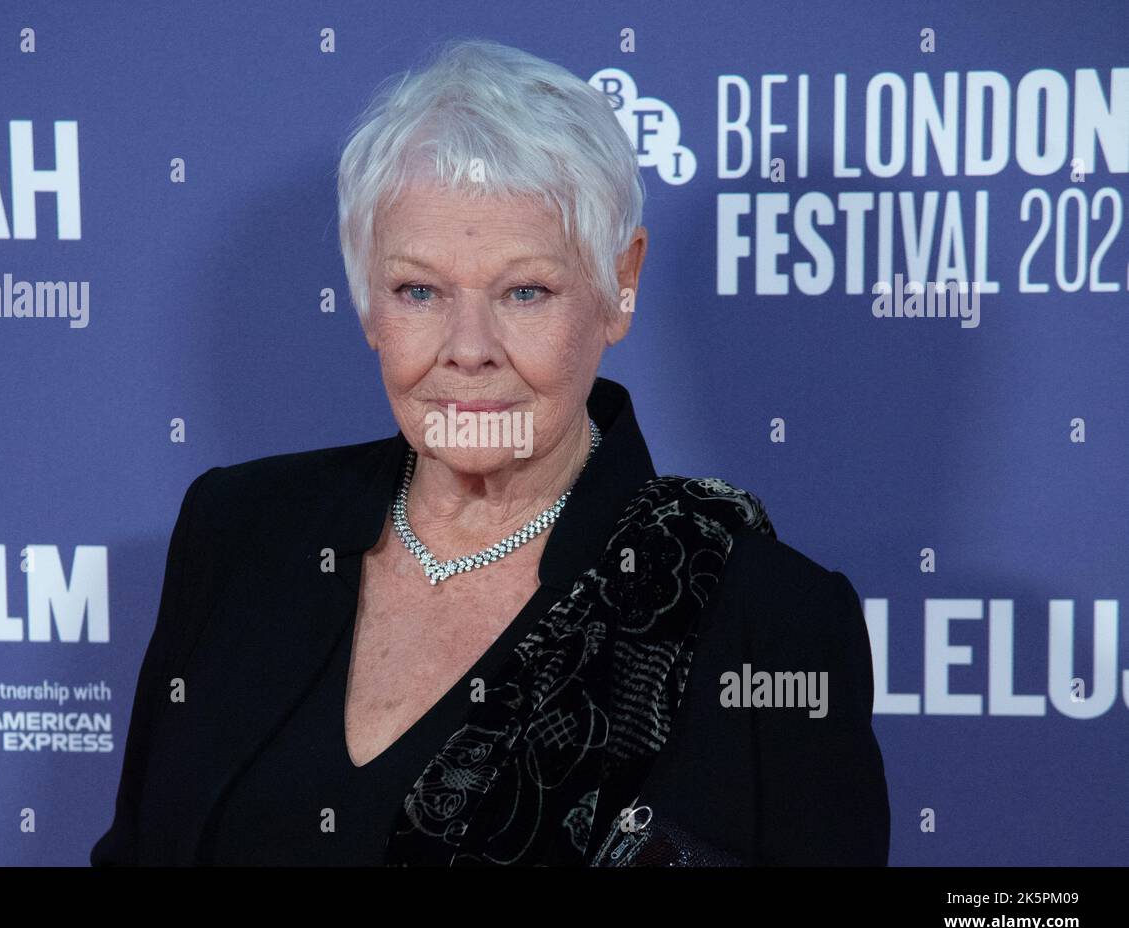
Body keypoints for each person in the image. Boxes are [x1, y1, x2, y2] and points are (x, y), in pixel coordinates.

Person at [91, 37, 889, 867]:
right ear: (367, 301)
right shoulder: (236, 532)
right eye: (420, 291)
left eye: (525, 291)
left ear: (621, 289)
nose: (468, 348)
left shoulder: (766, 619)